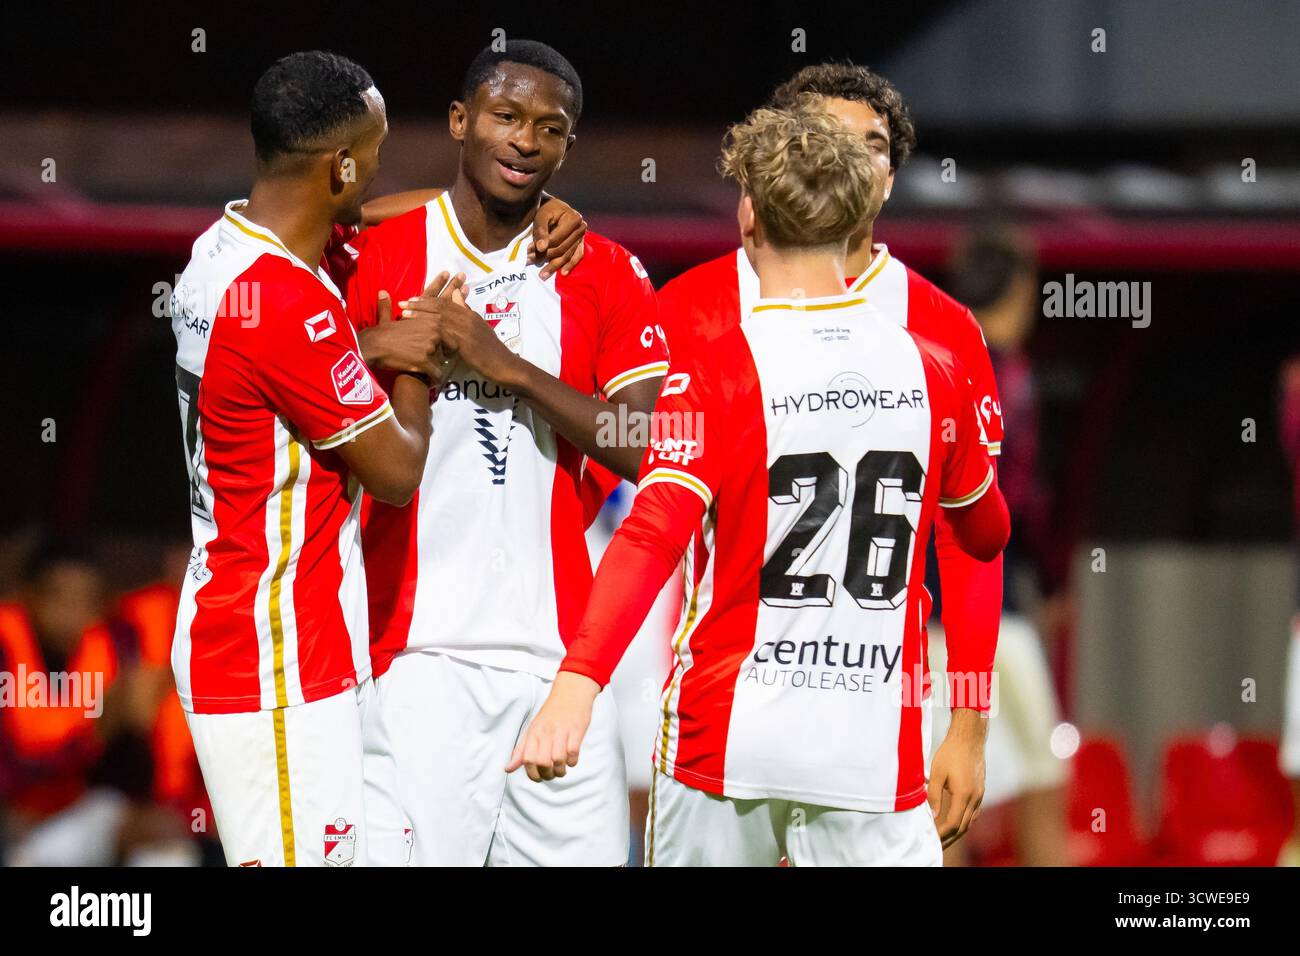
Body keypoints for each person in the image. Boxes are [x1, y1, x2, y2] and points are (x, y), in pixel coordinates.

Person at [510, 100, 1010, 866]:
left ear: (749, 216)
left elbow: (651, 533)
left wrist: (578, 683)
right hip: (872, 750)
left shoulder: (715, 371)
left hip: (726, 741)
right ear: (854, 218)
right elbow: (985, 534)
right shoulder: (933, 365)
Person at [646, 64, 1006, 835]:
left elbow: (972, 538)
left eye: (875, 145)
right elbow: (640, 508)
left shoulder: (943, 331)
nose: (855, 158)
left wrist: (969, 723)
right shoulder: (690, 312)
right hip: (721, 705)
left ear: (890, 177)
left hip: (878, 725)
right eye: (829, 140)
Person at [342, 39, 667, 866]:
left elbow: (646, 447)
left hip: (563, 666)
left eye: (549, 129)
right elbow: (320, 223)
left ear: (567, 147)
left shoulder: (604, 270)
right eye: (506, 117)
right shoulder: (376, 252)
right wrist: (380, 343)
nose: (525, 141)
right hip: (414, 657)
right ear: (461, 120)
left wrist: (507, 368)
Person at [169, 50, 441, 867]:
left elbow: (366, 223)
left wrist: (522, 209)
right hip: (272, 658)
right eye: (378, 153)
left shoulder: (224, 251)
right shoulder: (288, 304)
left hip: (298, 635)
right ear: (342, 164)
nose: (382, 171)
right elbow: (395, 472)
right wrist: (416, 363)